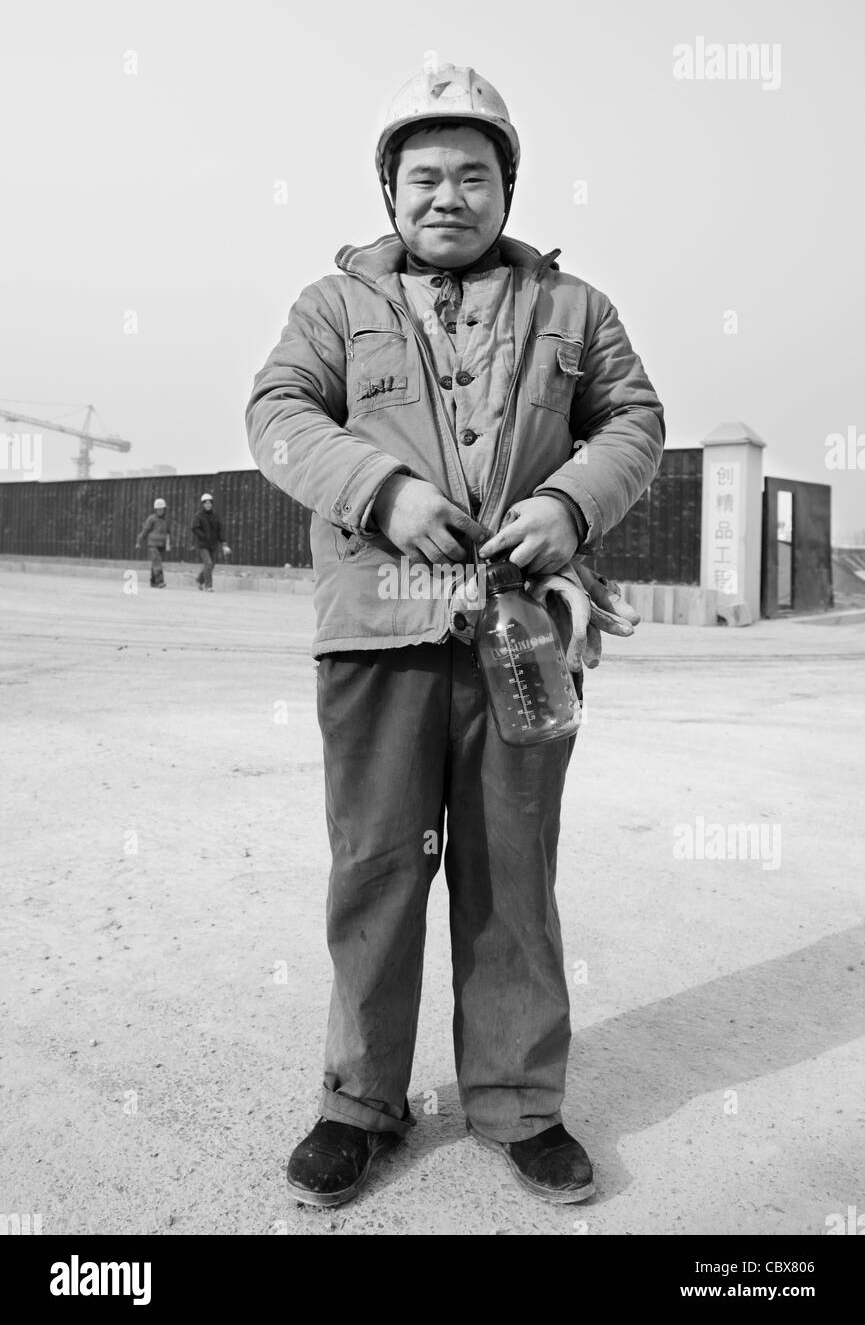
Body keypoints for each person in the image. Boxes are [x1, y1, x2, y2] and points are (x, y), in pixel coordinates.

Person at [246, 63, 665, 1208]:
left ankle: (519, 1103)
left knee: (511, 872)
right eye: (423, 175)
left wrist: (571, 503)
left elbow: (634, 419)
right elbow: (276, 412)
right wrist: (379, 491)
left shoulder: (575, 310)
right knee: (377, 867)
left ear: (506, 188)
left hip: (521, 633)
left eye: (473, 174)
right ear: (388, 190)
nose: (448, 195)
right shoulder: (333, 307)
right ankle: (358, 1103)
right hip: (376, 633)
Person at [191, 492, 231, 591]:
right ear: (203, 504)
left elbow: (220, 530)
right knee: (208, 563)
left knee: (211, 565)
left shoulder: (215, 516)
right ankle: (208, 586)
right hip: (203, 545)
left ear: (212, 504)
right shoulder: (199, 516)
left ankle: (199, 580)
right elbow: (195, 528)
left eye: (209, 503)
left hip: (213, 545)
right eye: (206, 503)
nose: (208, 505)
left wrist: (224, 543)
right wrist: (203, 536)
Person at [135, 497, 171, 588]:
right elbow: (145, 530)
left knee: (155, 562)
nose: (160, 511)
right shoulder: (151, 519)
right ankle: (160, 581)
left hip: (162, 544)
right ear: (155, 509)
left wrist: (169, 544)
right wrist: (139, 541)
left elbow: (168, 533)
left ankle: (153, 581)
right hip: (152, 544)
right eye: (158, 509)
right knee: (157, 562)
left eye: (161, 509)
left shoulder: (166, 520)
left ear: (164, 509)